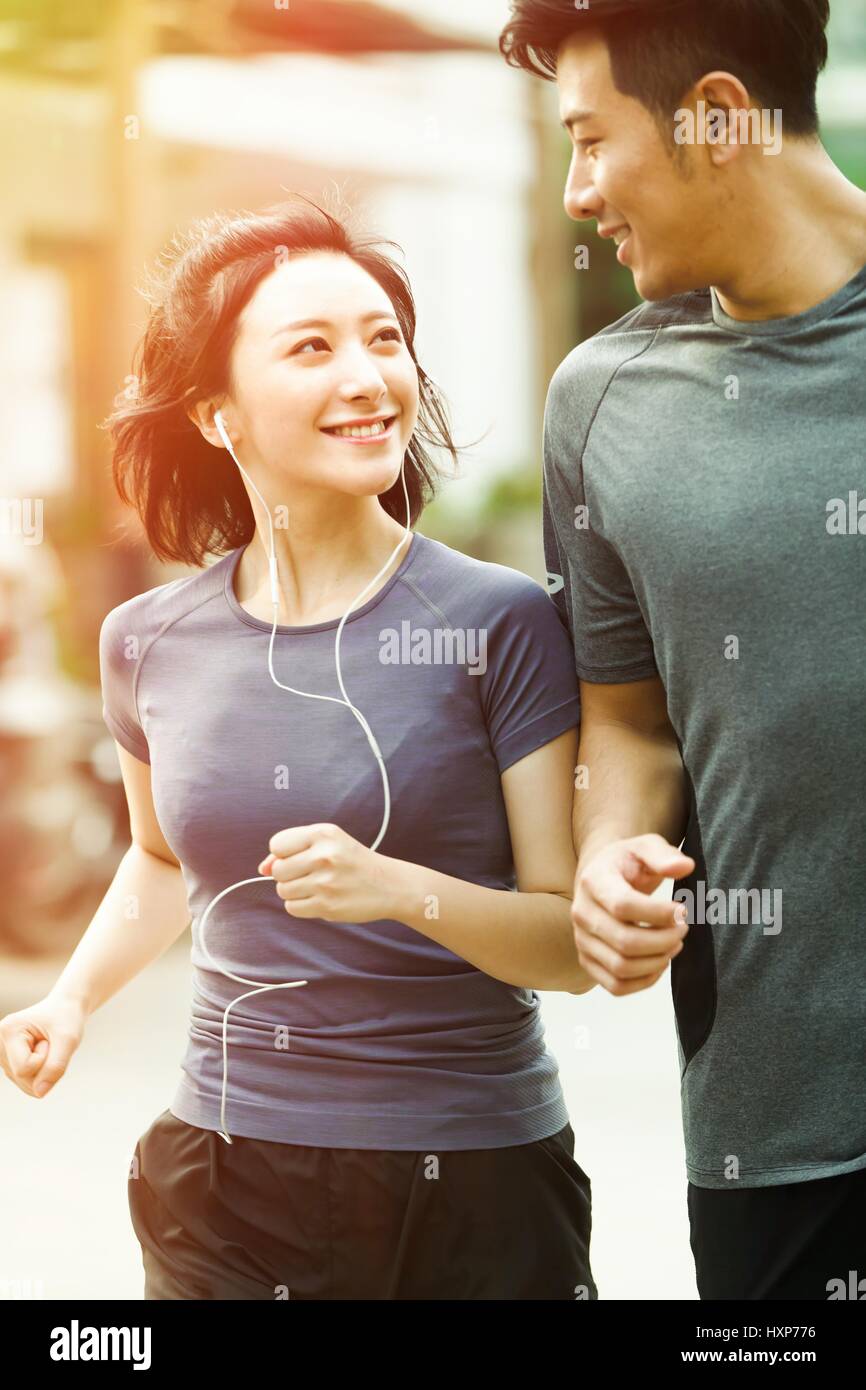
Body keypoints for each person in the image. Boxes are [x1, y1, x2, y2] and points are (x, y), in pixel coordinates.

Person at [0, 197, 647, 1301]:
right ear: (216, 415)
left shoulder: (498, 622)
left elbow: (564, 946)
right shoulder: (145, 640)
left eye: (383, 338)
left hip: (472, 1187)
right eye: (312, 346)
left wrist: (392, 887)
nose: (367, 375)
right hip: (222, 1178)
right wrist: (72, 998)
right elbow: (163, 860)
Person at [499, 0, 866, 1300]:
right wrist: (607, 860)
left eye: (589, 140)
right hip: (771, 1145)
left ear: (715, 115)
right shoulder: (601, 407)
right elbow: (631, 720)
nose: (575, 190)